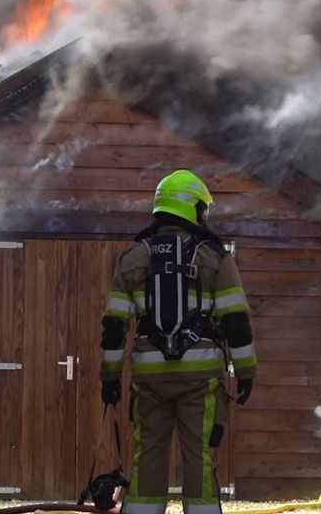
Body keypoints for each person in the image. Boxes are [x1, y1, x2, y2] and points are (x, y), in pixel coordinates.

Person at [100, 169, 257, 514]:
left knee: (148, 456)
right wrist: (246, 372)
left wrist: (110, 378)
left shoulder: (131, 258)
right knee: (199, 455)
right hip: (200, 379)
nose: (205, 216)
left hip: (148, 378)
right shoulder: (215, 258)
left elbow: (114, 326)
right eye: (202, 208)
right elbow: (236, 322)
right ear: (191, 208)